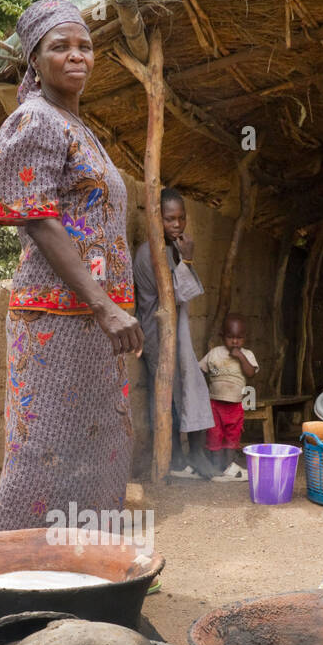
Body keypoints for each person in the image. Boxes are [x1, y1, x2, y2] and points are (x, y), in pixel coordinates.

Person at [0, 0, 143, 531]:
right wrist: (103, 306)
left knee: (99, 450)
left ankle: (84, 577)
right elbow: (38, 219)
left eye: (85, 46)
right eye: (60, 47)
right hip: (58, 320)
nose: (77, 56)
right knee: (44, 453)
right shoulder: (35, 120)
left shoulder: (77, 125)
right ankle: (10, 586)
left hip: (94, 322)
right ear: (35, 60)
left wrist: (108, 310)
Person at [133, 189, 216, 479]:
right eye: (170, 219)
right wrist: (188, 261)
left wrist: (184, 258)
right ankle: (177, 458)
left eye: (181, 218)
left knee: (191, 387)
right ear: (158, 219)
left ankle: (193, 455)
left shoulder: (173, 249)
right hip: (158, 332)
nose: (177, 225)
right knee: (169, 394)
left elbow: (185, 293)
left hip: (176, 331)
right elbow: (175, 294)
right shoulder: (148, 253)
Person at [198, 313, 259, 481]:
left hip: (235, 406)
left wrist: (240, 357)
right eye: (230, 337)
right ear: (222, 336)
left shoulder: (247, 354)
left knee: (232, 436)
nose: (234, 341)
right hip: (214, 404)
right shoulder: (214, 353)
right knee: (214, 435)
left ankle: (229, 466)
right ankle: (217, 469)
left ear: (245, 338)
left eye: (239, 338)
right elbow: (200, 370)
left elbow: (251, 373)